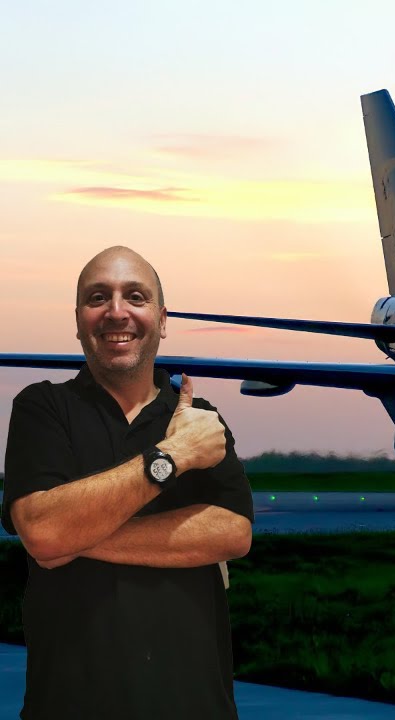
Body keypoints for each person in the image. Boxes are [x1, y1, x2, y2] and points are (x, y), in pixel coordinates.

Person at [1, 246, 254, 719]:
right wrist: (173, 457)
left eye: (134, 296)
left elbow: (233, 533)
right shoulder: (42, 408)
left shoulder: (198, 418)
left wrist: (73, 535)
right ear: (78, 320)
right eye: (99, 297)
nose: (117, 311)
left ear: (161, 319)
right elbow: (41, 528)